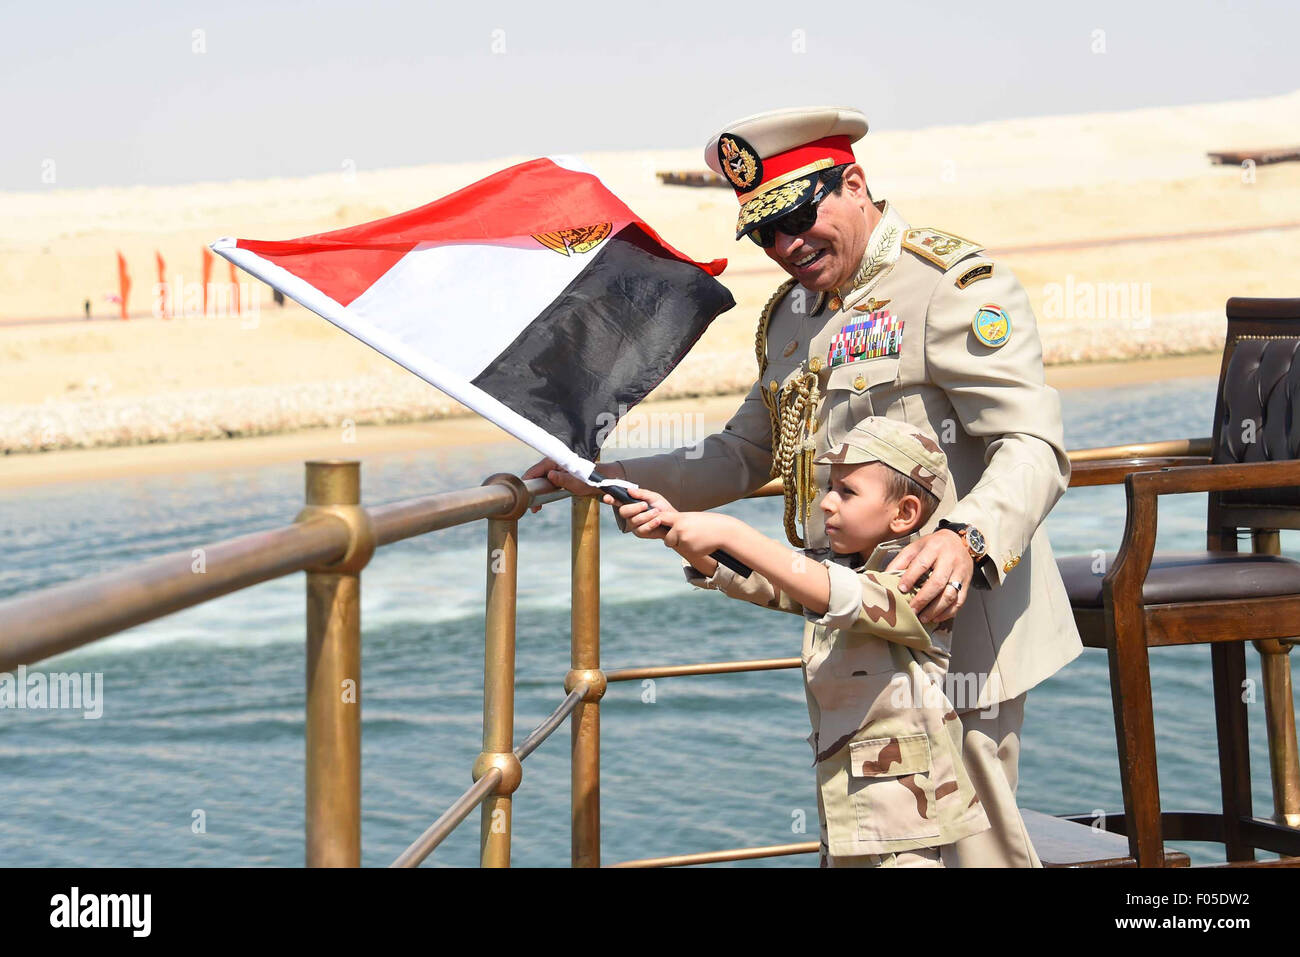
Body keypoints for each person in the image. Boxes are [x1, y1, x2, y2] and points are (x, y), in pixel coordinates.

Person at [525, 106, 1083, 866]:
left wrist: (967, 534)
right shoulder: (793, 315)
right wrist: (607, 476)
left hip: (953, 632)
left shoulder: (950, 285)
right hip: (852, 631)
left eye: (797, 217)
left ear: (853, 183)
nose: (787, 246)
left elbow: (1033, 445)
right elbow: (744, 454)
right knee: (874, 844)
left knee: (968, 853)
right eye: (765, 232)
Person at [617, 417, 990, 867]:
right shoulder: (843, 567)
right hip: (849, 813)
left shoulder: (921, 581)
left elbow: (838, 594)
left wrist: (734, 532)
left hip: (907, 826)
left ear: (905, 513)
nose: (827, 503)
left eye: (847, 492)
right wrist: (675, 529)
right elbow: (772, 582)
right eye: (829, 487)